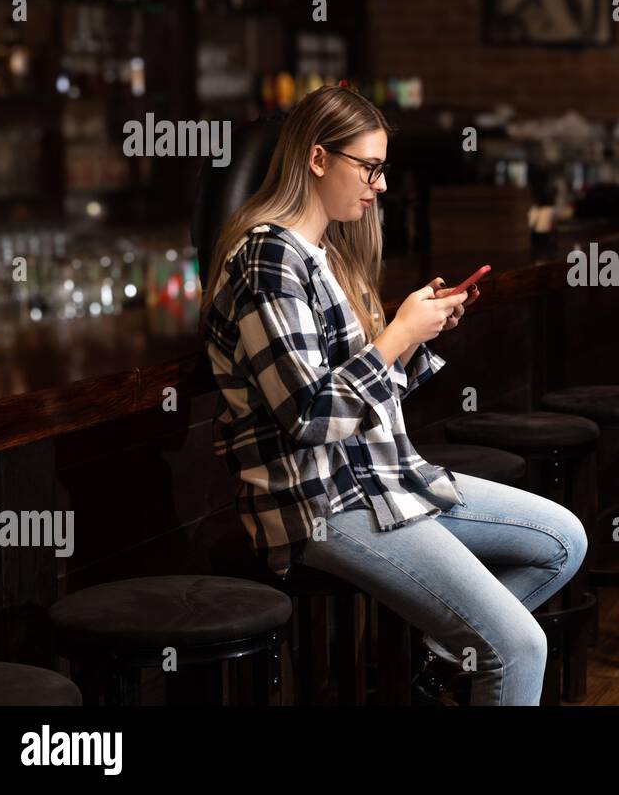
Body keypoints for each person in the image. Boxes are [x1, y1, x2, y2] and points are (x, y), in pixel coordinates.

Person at [200, 84, 587, 705]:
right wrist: (397, 333)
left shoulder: (322, 253)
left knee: (564, 540)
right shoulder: (266, 260)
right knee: (519, 646)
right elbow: (309, 415)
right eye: (370, 167)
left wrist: (408, 339)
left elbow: (357, 398)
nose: (380, 185)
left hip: (378, 476)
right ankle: (481, 652)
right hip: (318, 502)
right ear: (318, 159)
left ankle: (444, 660)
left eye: (384, 170)